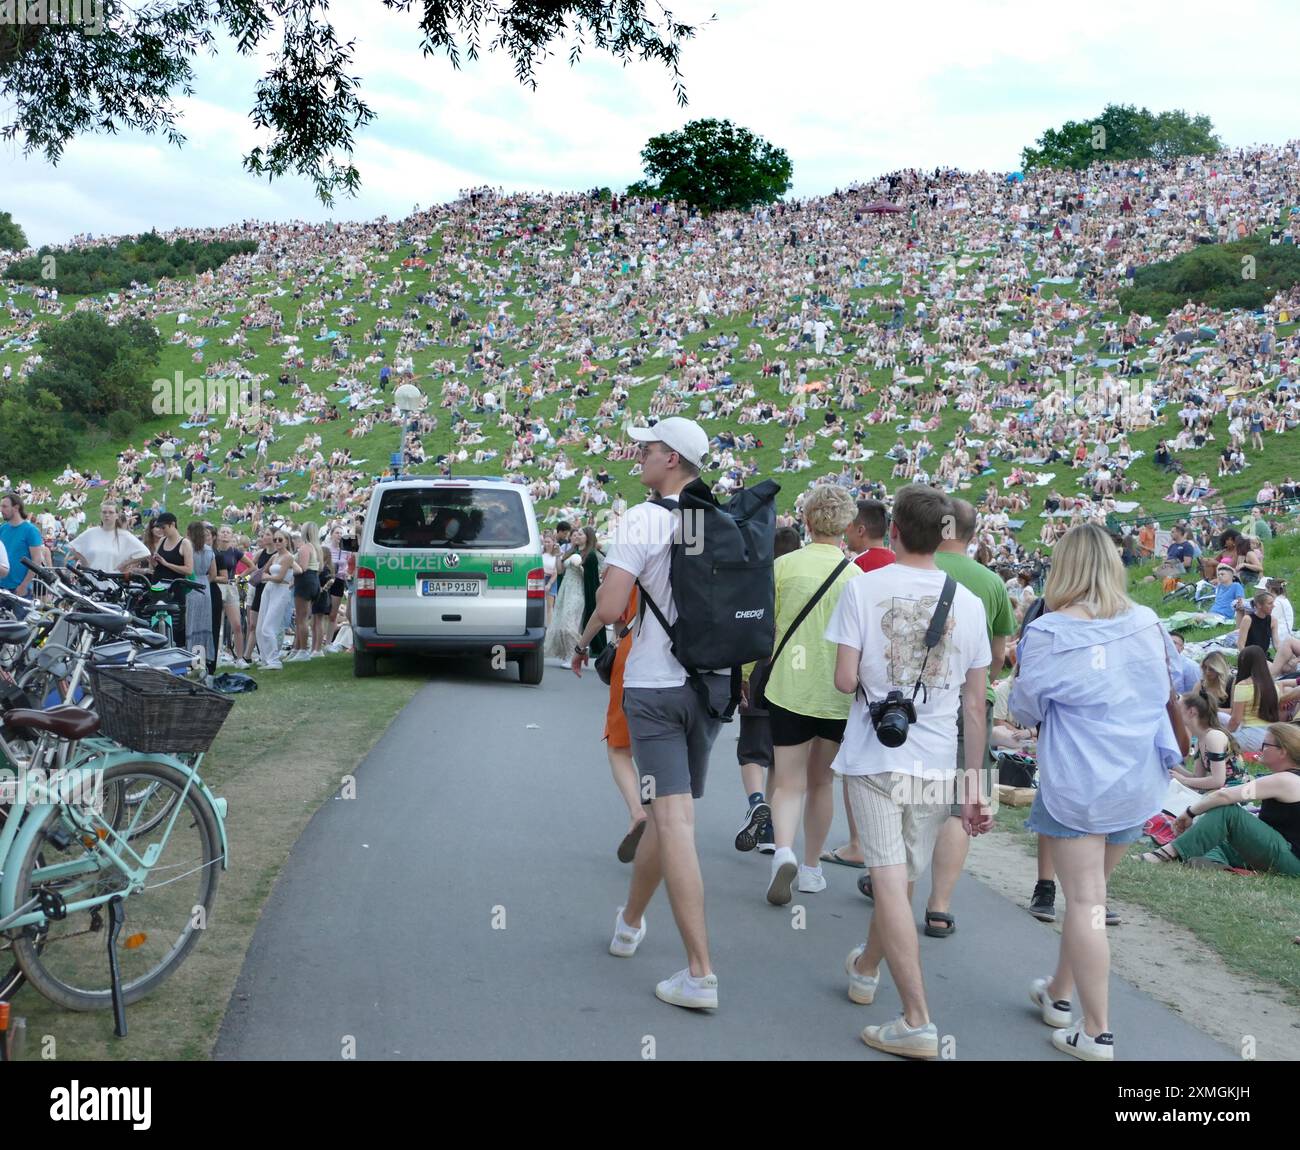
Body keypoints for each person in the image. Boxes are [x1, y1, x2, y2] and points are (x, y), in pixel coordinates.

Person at [826, 484, 992, 1060]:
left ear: (892, 531)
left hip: (876, 755)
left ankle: (918, 1019)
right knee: (901, 877)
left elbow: (846, 681)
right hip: (936, 761)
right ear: (946, 536)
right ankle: (868, 968)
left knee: (889, 879)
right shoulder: (968, 602)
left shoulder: (862, 588)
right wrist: (975, 790)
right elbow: (977, 706)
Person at [1009, 523, 1184, 1062]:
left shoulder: (1050, 632)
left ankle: (1098, 1031)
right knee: (1091, 898)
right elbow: (1175, 681)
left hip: (1081, 780)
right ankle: (1061, 992)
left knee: (1084, 902)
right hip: (1135, 776)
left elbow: (1024, 710)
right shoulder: (1148, 622)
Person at [581, 415, 732, 1010]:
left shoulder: (643, 518)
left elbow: (615, 604)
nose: (638, 454)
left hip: (656, 686)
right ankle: (630, 923)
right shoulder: (719, 520)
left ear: (673, 458)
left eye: (646, 448)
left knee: (674, 823)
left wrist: (604, 604)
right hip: (711, 687)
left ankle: (700, 973)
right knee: (669, 811)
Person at [920, 497, 1017, 938]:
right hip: (970, 697)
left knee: (906, 791)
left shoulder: (915, 564)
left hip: (914, 697)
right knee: (961, 803)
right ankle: (939, 905)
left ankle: (890, 880)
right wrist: (984, 679)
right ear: (973, 534)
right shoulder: (991, 583)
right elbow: (998, 654)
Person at [759, 483, 860, 905]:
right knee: (822, 783)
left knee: (787, 782)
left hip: (788, 687)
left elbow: (762, 629)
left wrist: (749, 675)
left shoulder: (783, 567)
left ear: (806, 520)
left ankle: (783, 849)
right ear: (847, 526)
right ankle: (812, 867)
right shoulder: (857, 578)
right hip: (837, 694)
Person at [823, 501, 895, 867]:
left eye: (848, 526)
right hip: (898, 679)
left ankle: (858, 842)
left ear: (860, 529)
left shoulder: (855, 569)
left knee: (855, 766)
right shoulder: (899, 566)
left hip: (863, 680)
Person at [1141, 723, 1300, 876]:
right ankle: (1212, 862)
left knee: (1227, 811)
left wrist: (1189, 813)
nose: (1260, 749)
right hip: (1284, 852)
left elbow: (1224, 795)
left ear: (1283, 751)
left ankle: (1165, 854)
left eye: (1265, 745)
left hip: (1290, 858)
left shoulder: (1285, 780)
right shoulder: (1290, 779)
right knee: (1219, 834)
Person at [734, 525, 803, 858]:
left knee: (751, 749)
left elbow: (748, 628)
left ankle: (756, 802)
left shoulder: (762, 581)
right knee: (781, 753)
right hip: (794, 671)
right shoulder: (803, 582)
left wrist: (741, 675)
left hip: (759, 665)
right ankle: (772, 828)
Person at [1168, 692, 1244, 793]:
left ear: (1192, 712)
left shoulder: (1213, 737)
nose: (1174, 712)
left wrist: (1183, 779)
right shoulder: (1201, 738)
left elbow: (1218, 781)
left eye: (1178, 708)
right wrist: (1171, 764)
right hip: (1220, 795)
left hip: (1234, 796)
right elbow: (1197, 778)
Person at [256, 528, 300, 670]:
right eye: (275, 540)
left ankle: (274, 660)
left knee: (268, 627)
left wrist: (267, 577)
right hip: (269, 590)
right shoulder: (274, 556)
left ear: (287, 541)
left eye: (280, 539)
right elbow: (263, 570)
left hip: (280, 591)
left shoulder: (288, 557)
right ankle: (265, 658)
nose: (277, 542)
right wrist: (260, 576)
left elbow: (280, 577)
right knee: (261, 625)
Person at [66, 501, 150, 573]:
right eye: (104, 512)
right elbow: (72, 547)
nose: (107, 515)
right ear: (100, 514)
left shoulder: (124, 535)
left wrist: (125, 564)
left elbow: (145, 552)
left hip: (113, 581)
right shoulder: (91, 532)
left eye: (111, 512)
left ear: (116, 515)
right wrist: (84, 563)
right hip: (90, 580)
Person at [150, 512, 193, 649]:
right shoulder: (162, 541)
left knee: (176, 625)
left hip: (175, 589)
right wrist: (154, 562)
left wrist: (167, 563)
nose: (161, 531)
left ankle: (179, 651)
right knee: (156, 622)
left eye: (164, 527)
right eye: (160, 528)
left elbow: (189, 570)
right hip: (158, 588)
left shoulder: (184, 543)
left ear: (172, 524)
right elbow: (156, 566)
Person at [0, 492, 44, 613]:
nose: (1, 509)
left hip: (20, 589)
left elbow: (36, 560)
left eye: (4, 506)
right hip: (2, 587)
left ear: (16, 507)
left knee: (21, 627)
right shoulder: (2, 528)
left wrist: (24, 585)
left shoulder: (30, 530)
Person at [213, 526, 249, 668]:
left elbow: (252, 566)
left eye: (228, 532)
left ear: (232, 535)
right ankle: (215, 656)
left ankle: (240, 658)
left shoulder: (234, 552)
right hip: (215, 586)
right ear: (218, 534)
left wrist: (239, 577)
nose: (225, 534)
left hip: (230, 587)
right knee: (216, 624)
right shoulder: (213, 550)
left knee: (237, 624)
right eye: (223, 531)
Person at [185, 521, 217, 673]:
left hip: (191, 585)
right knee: (204, 624)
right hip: (205, 587)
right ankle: (202, 659)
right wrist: (204, 582)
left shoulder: (188, 548)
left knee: (191, 623)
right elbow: (213, 574)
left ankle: (190, 657)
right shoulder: (209, 550)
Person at [290, 522, 324, 660]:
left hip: (304, 581)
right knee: (302, 618)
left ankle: (303, 650)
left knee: (301, 618)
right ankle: (297, 649)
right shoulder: (316, 548)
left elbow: (302, 568)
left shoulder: (304, 548)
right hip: (313, 580)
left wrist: (289, 561)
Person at [1235, 590, 1279, 657]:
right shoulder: (1248, 619)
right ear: (1259, 605)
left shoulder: (1273, 620)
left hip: (1264, 657)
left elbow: (1276, 644)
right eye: (1270, 603)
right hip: (1250, 657)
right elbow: (1240, 644)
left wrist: (1284, 656)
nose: (1273, 606)